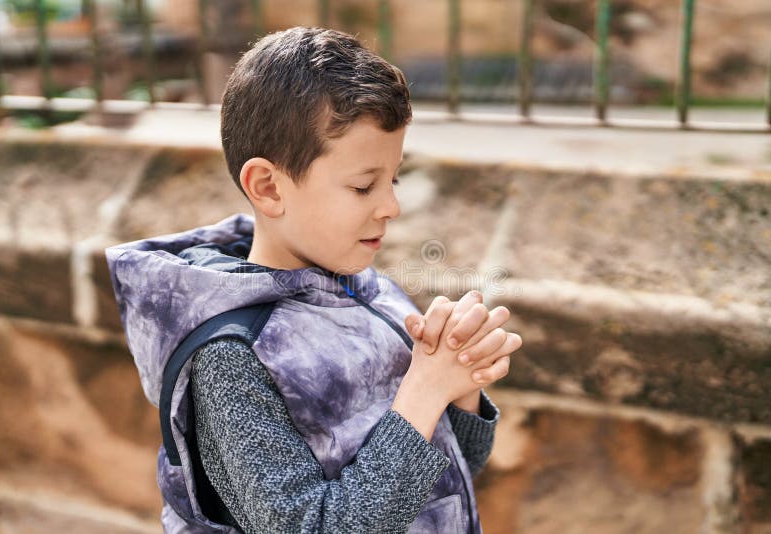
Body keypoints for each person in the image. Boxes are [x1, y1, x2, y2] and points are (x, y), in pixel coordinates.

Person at [105, 26, 521, 534]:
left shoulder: (368, 290)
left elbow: (456, 468)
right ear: (268, 187)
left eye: (393, 179)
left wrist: (459, 382)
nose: (391, 206)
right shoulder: (231, 355)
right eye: (363, 186)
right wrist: (425, 390)